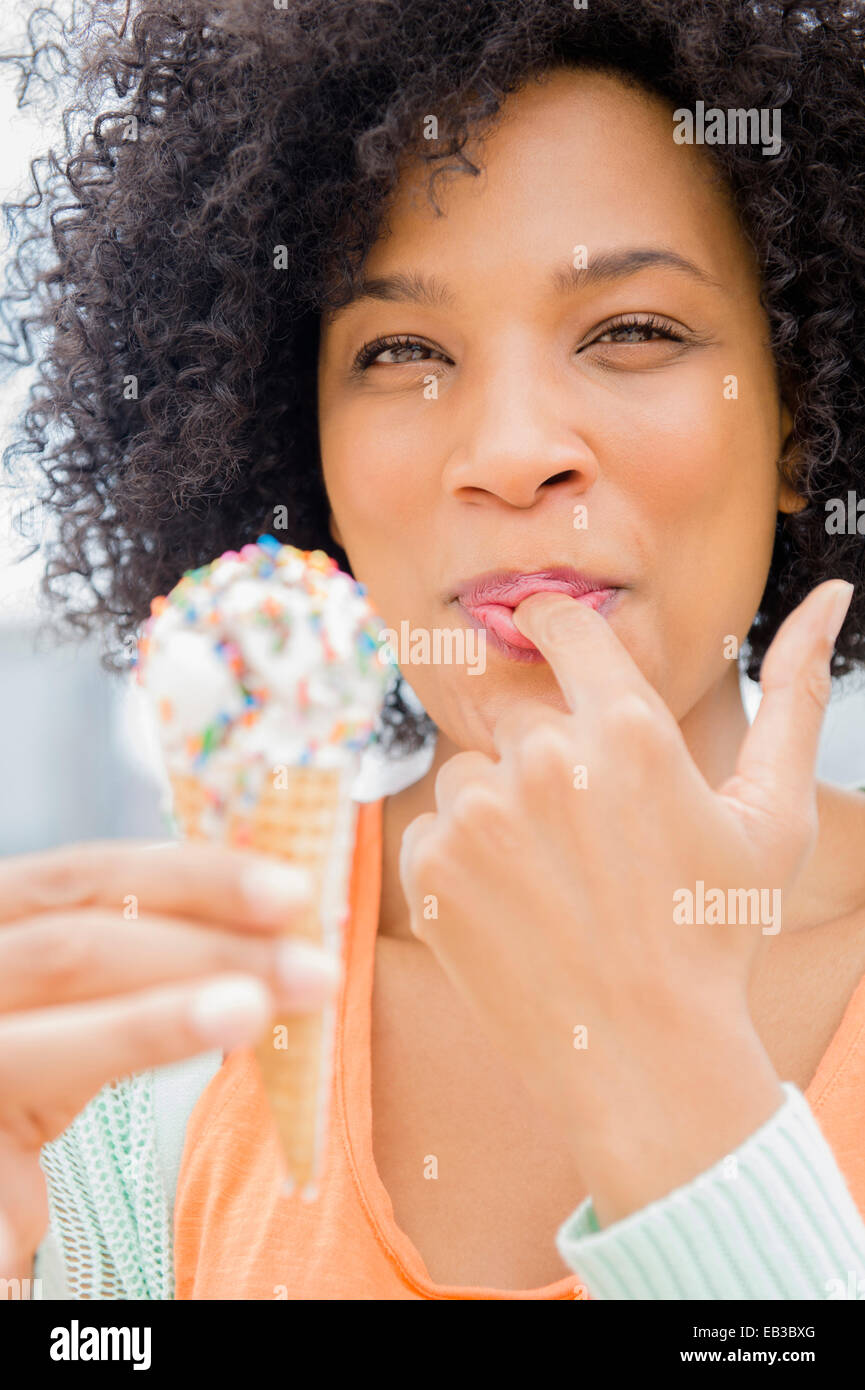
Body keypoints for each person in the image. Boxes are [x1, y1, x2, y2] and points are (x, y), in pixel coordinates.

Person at [2, 0, 865, 1299]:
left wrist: (676, 1084)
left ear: (800, 418)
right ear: (307, 451)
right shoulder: (147, 1052)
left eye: (632, 329)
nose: (513, 449)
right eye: (401, 350)